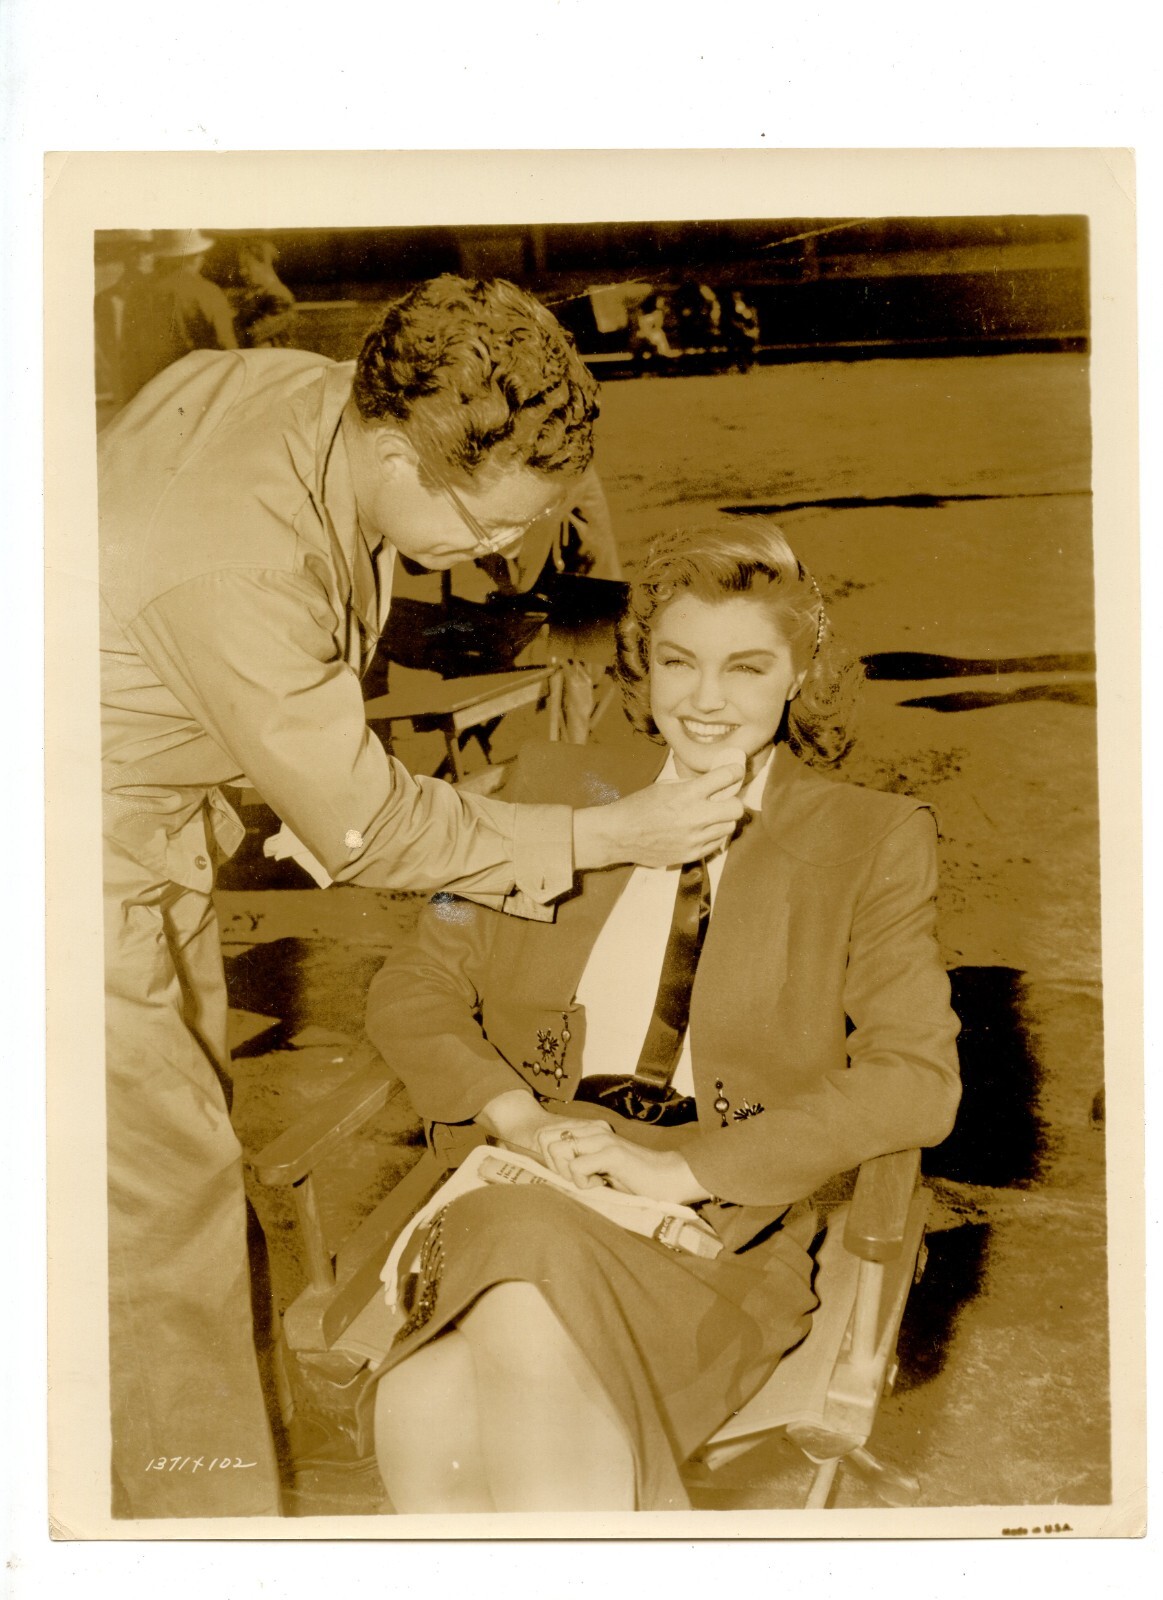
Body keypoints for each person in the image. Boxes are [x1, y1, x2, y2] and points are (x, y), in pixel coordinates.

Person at [99, 275, 746, 1518]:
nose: (500, 558)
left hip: (140, 822)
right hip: (64, 858)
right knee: (156, 1215)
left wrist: (566, 613)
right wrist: (609, 825)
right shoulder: (232, 560)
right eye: (480, 528)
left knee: (150, 1176)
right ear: (394, 448)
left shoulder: (312, 395)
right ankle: (198, 1541)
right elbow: (368, 819)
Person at [365, 520, 962, 1513]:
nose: (705, 698)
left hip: (713, 1225)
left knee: (425, 1400)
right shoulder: (556, 796)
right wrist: (518, 1117)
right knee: (472, 1334)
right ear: (643, 666)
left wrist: (679, 1169)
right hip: (520, 1174)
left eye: (745, 666)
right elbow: (411, 986)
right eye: (678, 661)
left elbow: (914, 1077)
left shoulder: (868, 839)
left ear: (797, 674)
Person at [114, 228, 238, 406]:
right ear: (192, 257)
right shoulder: (207, 292)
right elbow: (227, 350)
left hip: (151, 401)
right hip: (199, 397)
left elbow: (129, 357)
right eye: (200, 255)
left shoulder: (137, 294)